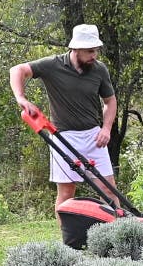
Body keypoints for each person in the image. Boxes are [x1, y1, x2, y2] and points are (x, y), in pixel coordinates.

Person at [9, 24, 120, 220]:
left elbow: (110, 101)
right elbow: (17, 70)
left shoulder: (99, 70)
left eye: (96, 50)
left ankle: (120, 234)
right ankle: (68, 242)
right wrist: (21, 98)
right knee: (67, 194)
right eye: (90, 51)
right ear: (75, 48)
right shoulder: (53, 65)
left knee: (109, 190)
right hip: (63, 136)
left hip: (94, 136)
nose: (94, 55)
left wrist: (106, 129)